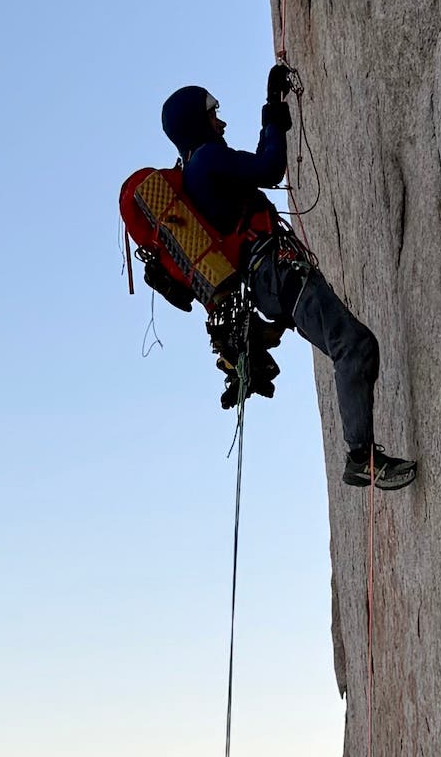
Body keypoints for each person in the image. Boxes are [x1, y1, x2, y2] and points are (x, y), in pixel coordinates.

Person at [148, 64, 418, 491]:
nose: (221, 119)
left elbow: (251, 169)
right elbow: (270, 168)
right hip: (277, 271)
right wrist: (273, 109)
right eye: (213, 111)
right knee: (353, 343)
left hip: (270, 282)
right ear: (197, 121)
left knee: (351, 344)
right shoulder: (208, 158)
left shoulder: (195, 170)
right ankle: (360, 457)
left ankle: (361, 453)